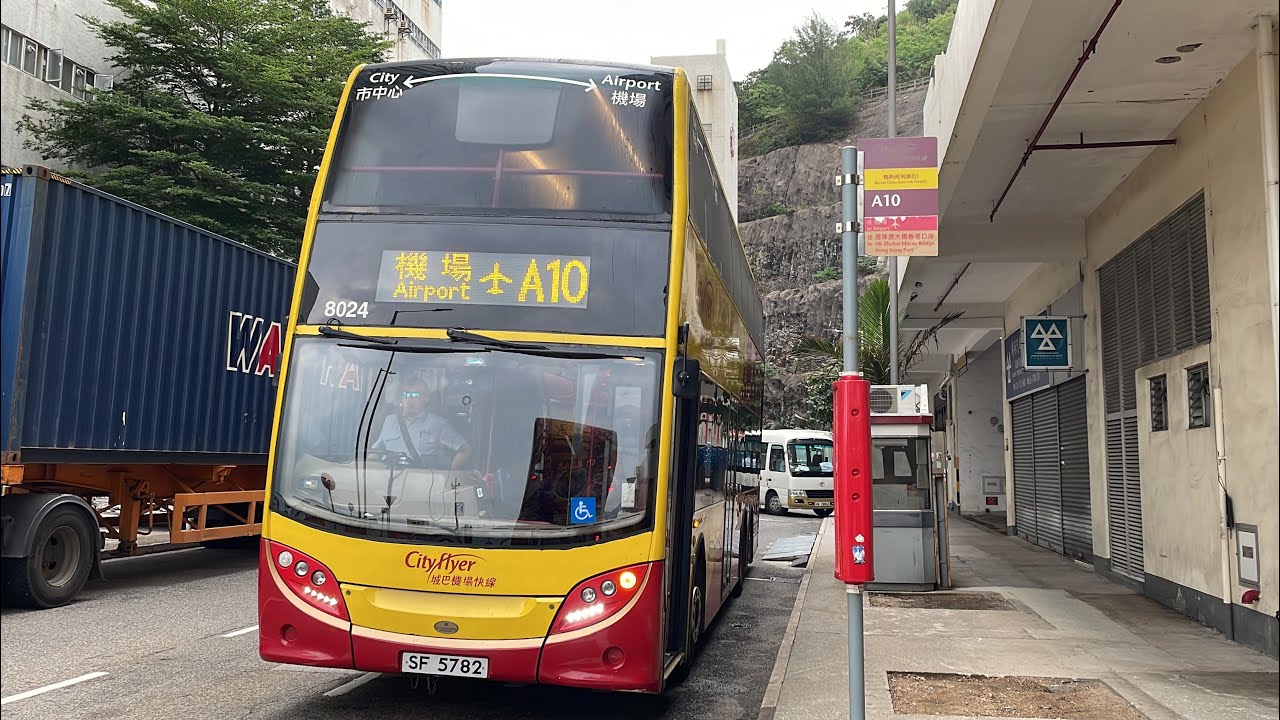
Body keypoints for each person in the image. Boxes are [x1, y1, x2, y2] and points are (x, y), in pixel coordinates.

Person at [372, 378, 472, 470]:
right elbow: (375, 452)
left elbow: (465, 449)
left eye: (415, 395)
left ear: (426, 399)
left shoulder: (437, 424)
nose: (409, 399)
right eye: (406, 395)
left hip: (423, 484)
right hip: (389, 481)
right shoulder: (390, 420)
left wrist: (450, 475)